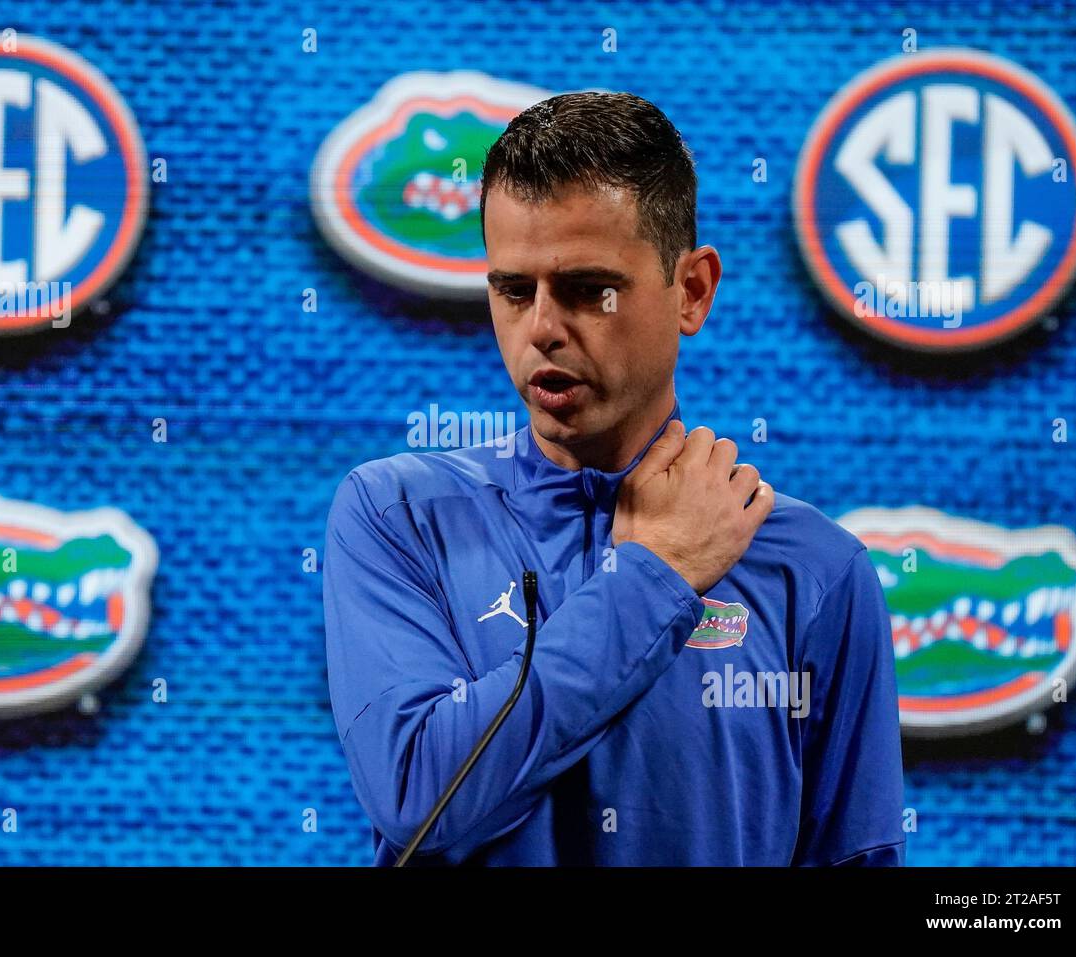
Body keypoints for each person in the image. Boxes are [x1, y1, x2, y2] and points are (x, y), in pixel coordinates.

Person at [322, 91, 905, 866]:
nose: (542, 328)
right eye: (514, 290)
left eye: (588, 289)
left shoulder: (818, 569)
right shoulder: (399, 516)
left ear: (692, 290)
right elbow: (420, 794)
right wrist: (655, 575)